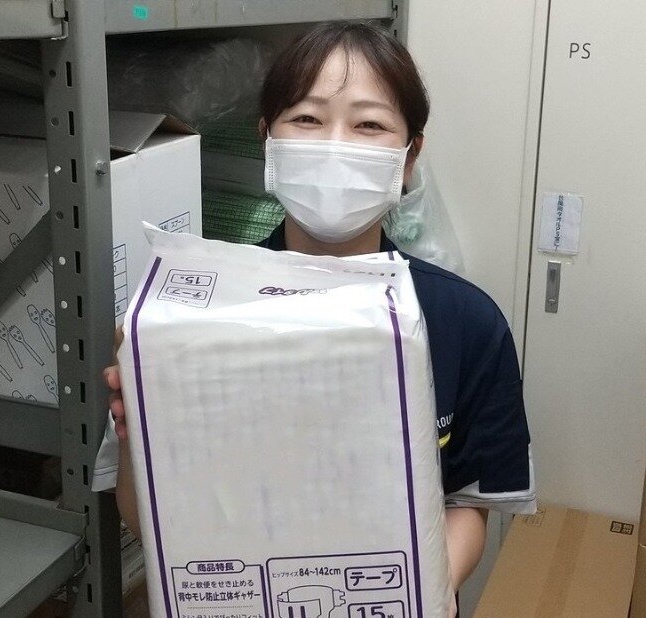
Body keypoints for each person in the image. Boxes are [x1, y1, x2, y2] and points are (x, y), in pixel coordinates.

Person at [106, 21, 535, 617]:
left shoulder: (465, 322)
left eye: (369, 125)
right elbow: (148, 517)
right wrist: (140, 426)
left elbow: (466, 505)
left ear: (409, 156)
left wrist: (419, 597)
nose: (336, 145)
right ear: (267, 140)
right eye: (307, 119)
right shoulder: (191, 317)